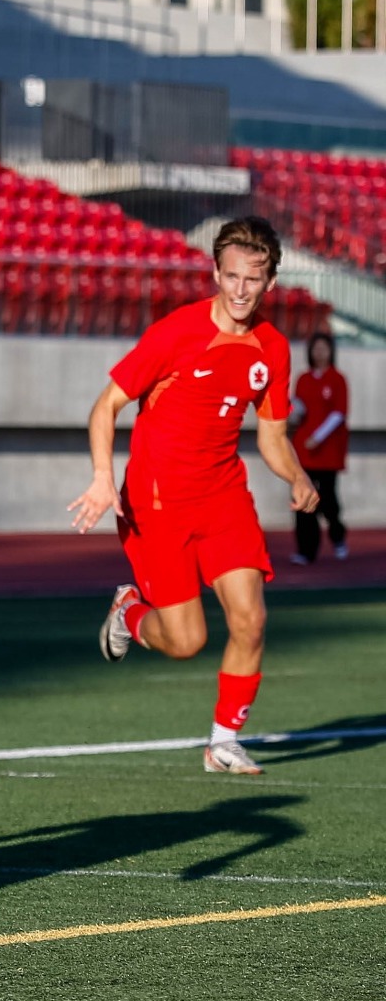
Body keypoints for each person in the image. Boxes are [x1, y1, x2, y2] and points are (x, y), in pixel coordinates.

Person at [70, 216, 318, 777]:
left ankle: (224, 742)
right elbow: (105, 405)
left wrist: (297, 477)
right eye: (230, 276)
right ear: (215, 272)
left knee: (250, 619)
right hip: (156, 505)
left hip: (224, 498)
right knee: (185, 642)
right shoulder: (176, 333)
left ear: (269, 282)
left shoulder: (273, 350)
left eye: (251, 279)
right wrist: (102, 477)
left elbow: (273, 435)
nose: (238, 289)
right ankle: (129, 610)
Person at [290, 332, 349, 564]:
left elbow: (338, 413)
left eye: (323, 348)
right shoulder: (303, 378)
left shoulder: (337, 379)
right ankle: (306, 549)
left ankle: (338, 536)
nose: (319, 352)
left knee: (328, 502)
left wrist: (318, 437)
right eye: (316, 348)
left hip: (327, 453)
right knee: (303, 500)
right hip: (303, 452)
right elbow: (298, 409)